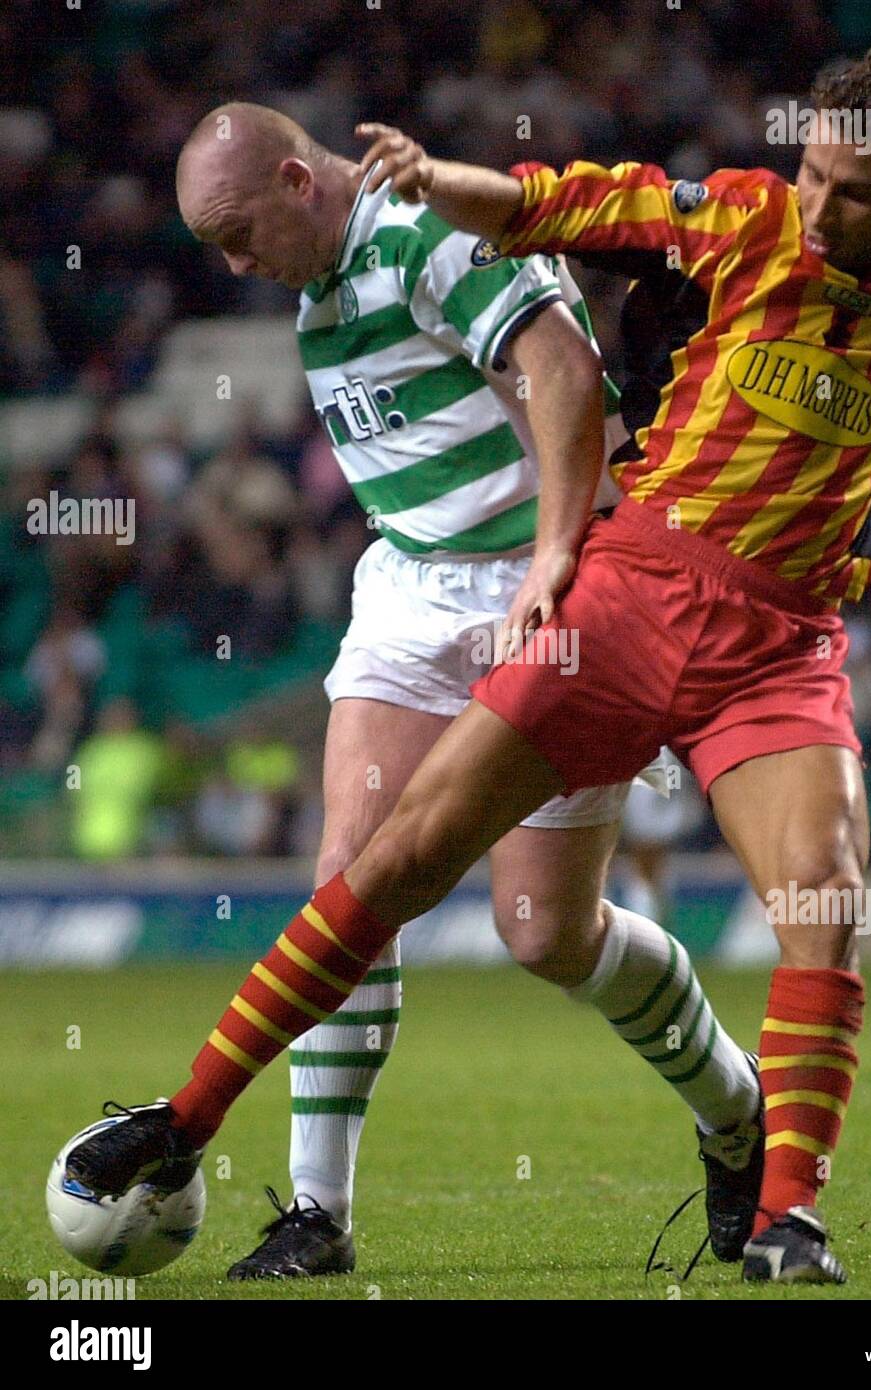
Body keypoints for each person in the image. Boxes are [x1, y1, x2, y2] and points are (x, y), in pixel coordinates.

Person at [69, 51, 871, 1285]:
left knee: (718, 910)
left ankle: (775, 1188)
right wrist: (449, 175)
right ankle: (236, 1148)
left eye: (852, 191)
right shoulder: (746, 219)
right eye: (809, 172)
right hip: (581, 591)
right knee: (378, 862)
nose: (815, 207)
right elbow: (570, 200)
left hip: (706, 624)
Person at [134, 102, 765, 1279]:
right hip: (412, 598)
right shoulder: (320, 286)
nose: (231, 263)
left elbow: (564, 370)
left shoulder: (428, 229)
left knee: (546, 933)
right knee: (349, 882)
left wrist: (555, 556)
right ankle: (318, 1211)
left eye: (237, 231)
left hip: (545, 588)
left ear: (294, 178)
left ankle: (738, 1114)